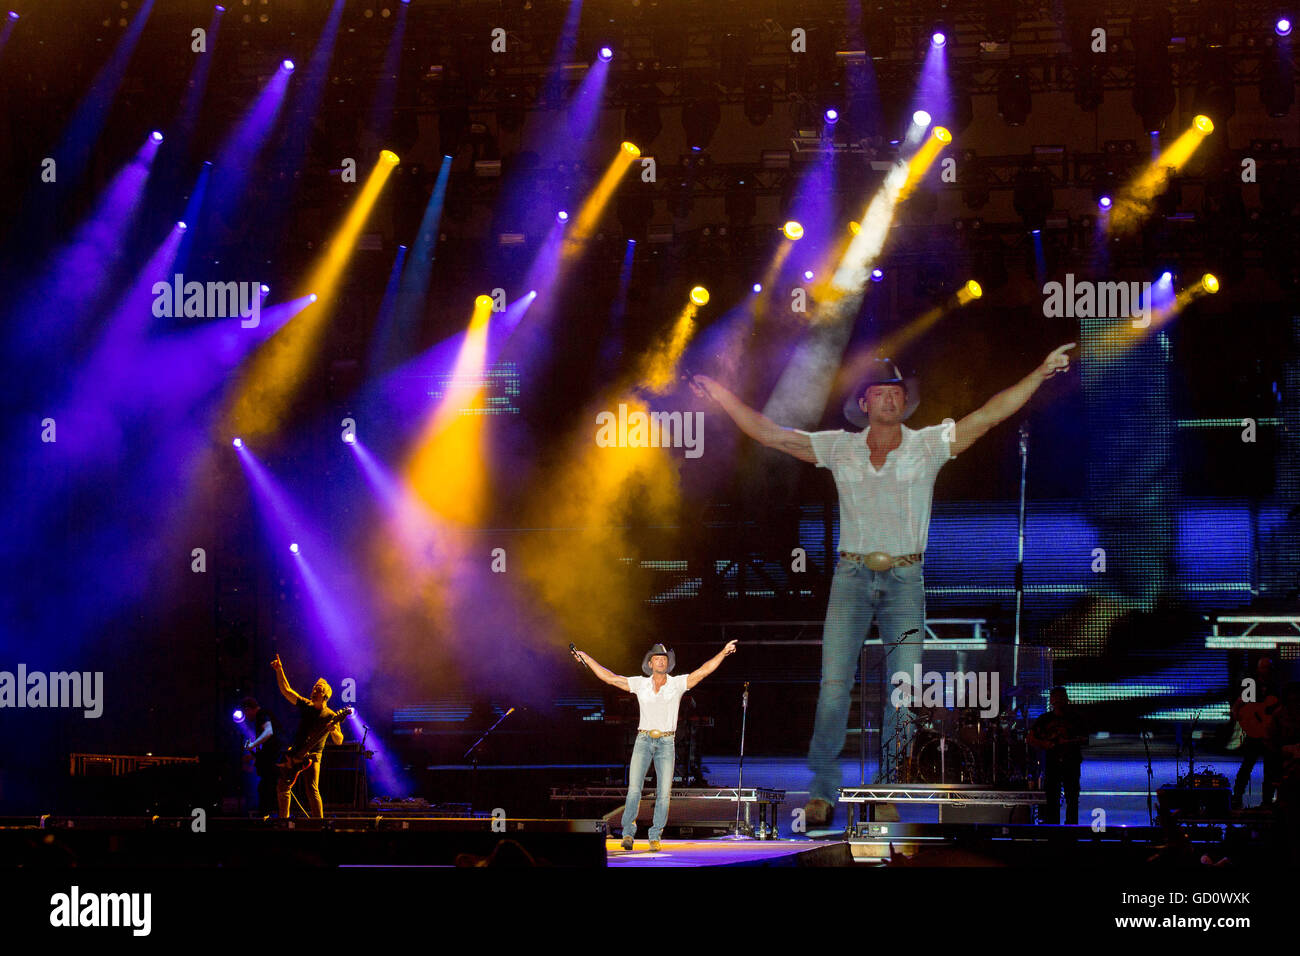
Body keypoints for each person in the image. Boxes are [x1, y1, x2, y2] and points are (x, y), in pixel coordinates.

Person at [691, 344, 1074, 827]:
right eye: (880, 392)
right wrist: (723, 395)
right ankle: (822, 791)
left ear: (904, 401)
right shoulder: (839, 446)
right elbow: (772, 435)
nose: (890, 399)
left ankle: (889, 784)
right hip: (850, 578)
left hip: (905, 579)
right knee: (833, 686)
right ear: (864, 404)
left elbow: (988, 415)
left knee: (904, 688)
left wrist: (1039, 371)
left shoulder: (930, 443)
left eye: (896, 392)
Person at [576, 641, 737, 851]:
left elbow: (703, 671)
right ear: (650, 663)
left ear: (668, 664)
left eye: (664, 658)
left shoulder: (677, 683)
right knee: (634, 790)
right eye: (656, 658)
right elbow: (610, 678)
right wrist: (586, 658)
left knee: (664, 792)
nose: (661, 661)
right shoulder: (640, 684)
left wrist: (723, 653)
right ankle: (627, 834)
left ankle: (655, 835)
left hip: (666, 742)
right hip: (643, 740)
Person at [270, 654, 344, 818]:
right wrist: (279, 670)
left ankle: (319, 824)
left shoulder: (330, 715)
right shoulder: (306, 705)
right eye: (314, 689)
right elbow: (286, 691)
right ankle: (284, 821)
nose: (314, 691)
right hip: (296, 752)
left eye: (317, 690)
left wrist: (333, 730)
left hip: (313, 756)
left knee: (311, 789)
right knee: (283, 787)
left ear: (325, 695)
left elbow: (339, 741)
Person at [1027, 687, 1087, 824]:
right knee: (1052, 800)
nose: (1059, 701)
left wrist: (1066, 742)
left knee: (1072, 799)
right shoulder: (1045, 719)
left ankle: (1070, 832)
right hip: (1052, 765)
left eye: (1062, 698)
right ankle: (1053, 831)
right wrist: (1045, 744)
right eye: (1057, 698)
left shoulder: (1076, 719)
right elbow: (1030, 738)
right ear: (1052, 700)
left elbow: (1084, 738)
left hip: (1071, 764)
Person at [1231, 653, 1282, 809]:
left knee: (1270, 769)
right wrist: (1238, 715)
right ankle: (1237, 797)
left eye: (1268, 668)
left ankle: (1267, 801)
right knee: (1247, 766)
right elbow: (1241, 703)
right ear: (1259, 669)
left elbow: (1277, 707)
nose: (1266, 670)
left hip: (1268, 734)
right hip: (1254, 734)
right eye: (1263, 668)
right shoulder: (1251, 685)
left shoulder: (1275, 687)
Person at [240, 695, 281, 816]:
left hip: (274, 761)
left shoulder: (261, 714)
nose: (246, 717)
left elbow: (269, 732)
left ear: (248, 709)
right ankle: (268, 816)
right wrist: (254, 754)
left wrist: (252, 745)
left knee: (266, 788)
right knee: (266, 788)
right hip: (272, 759)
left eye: (245, 713)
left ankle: (267, 817)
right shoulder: (262, 716)